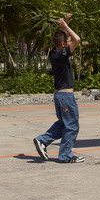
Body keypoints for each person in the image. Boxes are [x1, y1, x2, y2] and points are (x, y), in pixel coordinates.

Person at [33, 15, 84, 164]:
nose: (69, 42)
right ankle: (65, 155)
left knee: (63, 124)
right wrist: (66, 27)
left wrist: (64, 24)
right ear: (63, 44)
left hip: (59, 96)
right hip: (66, 97)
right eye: (66, 42)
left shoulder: (53, 53)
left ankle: (42, 140)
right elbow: (77, 39)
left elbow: (60, 38)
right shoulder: (62, 54)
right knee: (72, 125)